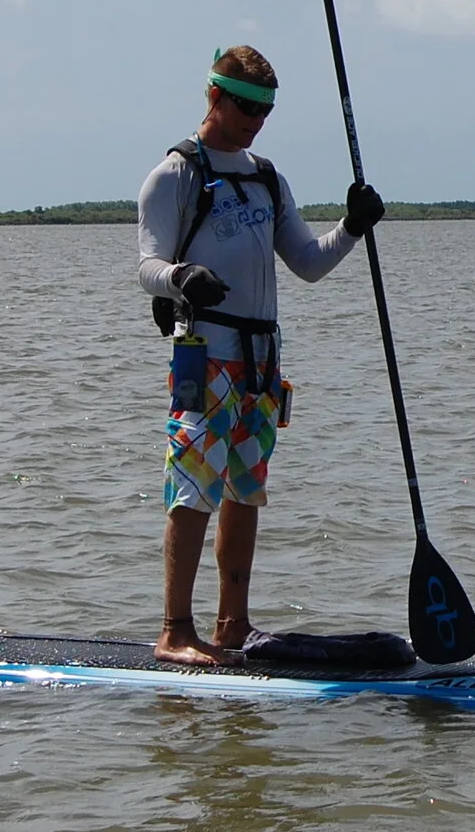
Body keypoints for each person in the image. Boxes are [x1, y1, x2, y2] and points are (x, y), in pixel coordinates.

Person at [135, 45, 384, 666]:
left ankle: (233, 625)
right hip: (204, 355)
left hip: (262, 364)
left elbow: (308, 263)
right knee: (193, 486)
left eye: (266, 110)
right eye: (245, 105)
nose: (255, 119)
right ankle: (173, 632)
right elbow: (147, 265)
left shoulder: (268, 178)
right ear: (213, 96)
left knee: (245, 490)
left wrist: (352, 226)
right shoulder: (175, 175)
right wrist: (181, 277)